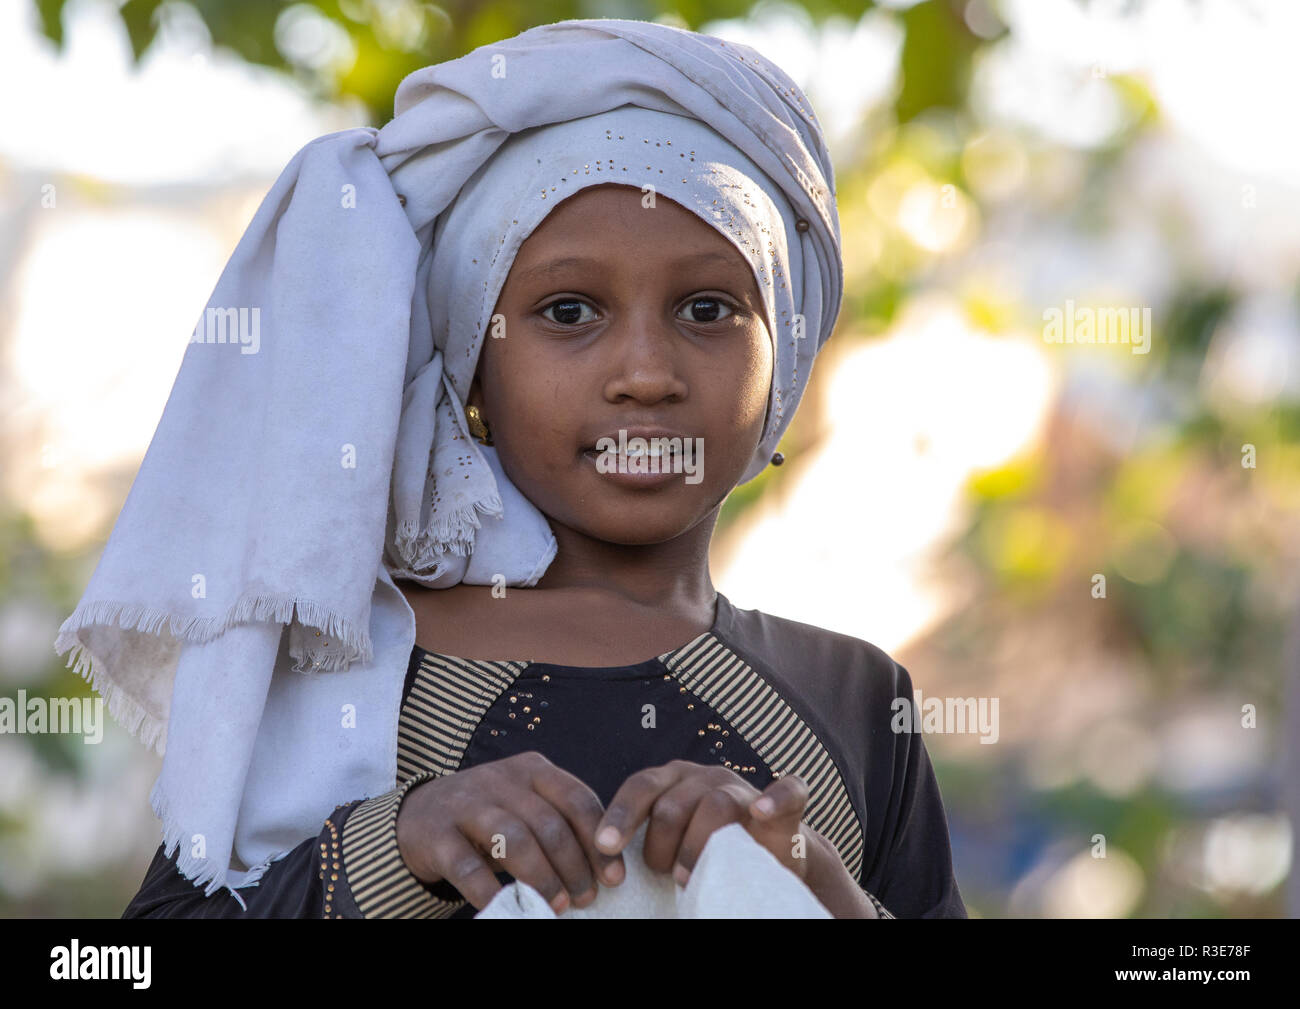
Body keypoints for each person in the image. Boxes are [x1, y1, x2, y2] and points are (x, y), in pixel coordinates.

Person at [58, 18, 965, 919]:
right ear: (473, 368)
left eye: (707, 307)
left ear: (786, 359)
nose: (645, 373)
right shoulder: (357, 669)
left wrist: (823, 890)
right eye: (569, 311)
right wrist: (397, 843)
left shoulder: (856, 695)